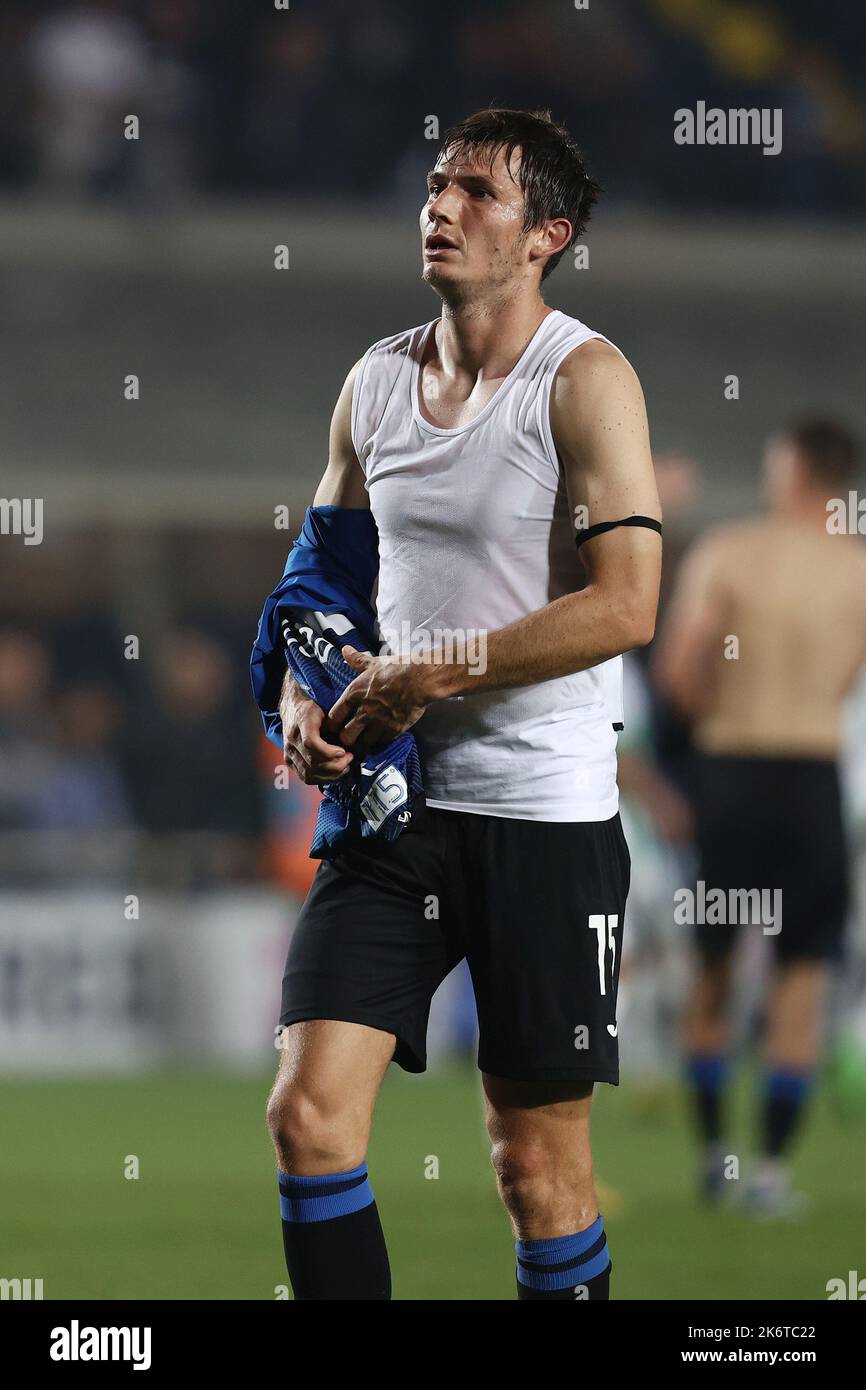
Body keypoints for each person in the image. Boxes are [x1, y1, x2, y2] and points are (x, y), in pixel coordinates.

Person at [259, 107, 662, 1299]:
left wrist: (432, 670)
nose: (438, 206)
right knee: (306, 1118)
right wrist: (296, 684)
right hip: (396, 815)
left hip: (542, 815)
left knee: (534, 1168)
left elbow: (628, 605)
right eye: (435, 184)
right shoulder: (375, 380)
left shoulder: (584, 380)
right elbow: (321, 574)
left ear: (546, 233)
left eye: (475, 191)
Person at [655, 418, 866, 1216]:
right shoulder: (857, 571)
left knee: (712, 973)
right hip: (813, 780)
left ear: (792, 470)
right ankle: (771, 1173)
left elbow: (679, 669)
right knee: (800, 981)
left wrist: (717, 721)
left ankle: (716, 1160)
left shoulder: (728, 552)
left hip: (732, 774)